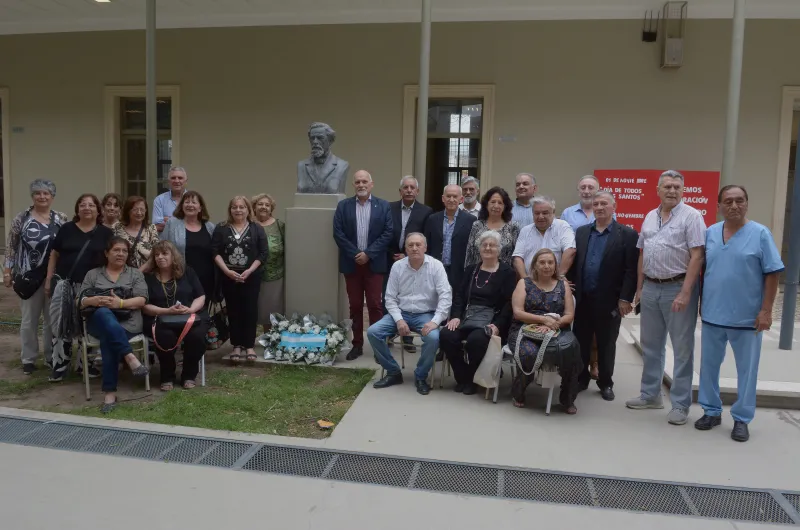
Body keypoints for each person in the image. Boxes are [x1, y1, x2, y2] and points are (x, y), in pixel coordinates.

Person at [695, 185, 783, 442]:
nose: (734, 206)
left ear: (747, 203)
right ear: (719, 205)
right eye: (728, 201)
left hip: (747, 318)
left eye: (739, 201)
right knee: (709, 367)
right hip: (713, 315)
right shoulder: (711, 233)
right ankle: (711, 411)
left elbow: (773, 273)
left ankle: (742, 418)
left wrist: (766, 311)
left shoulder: (760, 234)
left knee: (747, 370)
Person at [626, 170, 706, 426]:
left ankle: (681, 405)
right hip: (650, 287)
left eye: (677, 187)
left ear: (683, 190)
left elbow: (697, 255)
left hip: (678, 287)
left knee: (682, 349)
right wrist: (639, 288)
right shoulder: (650, 216)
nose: (672, 191)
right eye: (667, 187)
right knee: (651, 344)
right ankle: (650, 395)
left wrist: (686, 292)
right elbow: (642, 253)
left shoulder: (692, 216)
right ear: (658, 190)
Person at [569, 191, 638, 401]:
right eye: (596, 203)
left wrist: (625, 298)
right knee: (580, 341)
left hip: (610, 300)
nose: (599, 207)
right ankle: (581, 379)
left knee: (607, 343)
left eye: (604, 204)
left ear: (613, 207)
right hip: (582, 299)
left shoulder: (626, 234)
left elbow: (630, 270)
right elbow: (574, 264)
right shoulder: (581, 232)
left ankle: (605, 382)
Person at [367, 233, 452, 395]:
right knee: (373, 332)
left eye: (418, 245)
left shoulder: (436, 266)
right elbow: (390, 298)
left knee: (433, 338)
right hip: (400, 312)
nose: (414, 248)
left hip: (425, 314)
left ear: (425, 248)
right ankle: (393, 372)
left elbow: (446, 296)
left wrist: (435, 321)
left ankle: (420, 375)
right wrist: (399, 320)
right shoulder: (398, 267)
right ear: (405, 248)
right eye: (410, 245)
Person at [46, 193, 114, 381]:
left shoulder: (106, 233)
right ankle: (59, 365)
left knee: (89, 325)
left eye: (91, 205)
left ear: (97, 210)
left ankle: (86, 364)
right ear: (77, 209)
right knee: (61, 323)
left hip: (92, 286)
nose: (87, 208)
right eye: (82, 205)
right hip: (64, 285)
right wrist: (48, 278)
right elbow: (54, 254)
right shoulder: (66, 229)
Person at [4, 179, 69, 375]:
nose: (42, 197)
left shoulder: (61, 219)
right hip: (28, 277)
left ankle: (51, 356)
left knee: (52, 319)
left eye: (46, 193)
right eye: (38, 193)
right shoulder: (21, 218)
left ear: (52, 197)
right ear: (32, 196)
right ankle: (28, 358)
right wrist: (7, 271)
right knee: (29, 320)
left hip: (54, 276)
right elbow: (11, 247)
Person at [78, 237, 150, 413]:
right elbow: (79, 301)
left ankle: (109, 394)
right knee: (103, 313)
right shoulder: (93, 274)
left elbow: (142, 300)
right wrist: (93, 300)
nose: (121, 254)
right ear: (106, 253)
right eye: (116, 250)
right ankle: (130, 358)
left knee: (109, 338)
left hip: (128, 323)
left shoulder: (135, 274)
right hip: (98, 322)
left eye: (124, 251)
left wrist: (121, 304)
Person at [440, 230, 516, 395]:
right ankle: (464, 377)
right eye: (484, 245)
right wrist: (455, 317)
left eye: (492, 245)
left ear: (499, 249)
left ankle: (472, 380)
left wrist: (497, 325)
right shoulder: (471, 270)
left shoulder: (507, 273)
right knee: (447, 335)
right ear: (479, 248)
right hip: (468, 317)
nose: (488, 248)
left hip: (493, 320)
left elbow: (509, 304)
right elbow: (459, 296)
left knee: (476, 340)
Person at [508, 248, 581, 414]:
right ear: (534, 266)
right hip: (524, 329)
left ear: (555, 266)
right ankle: (518, 391)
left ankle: (567, 398)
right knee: (529, 353)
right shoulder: (524, 283)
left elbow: (569, 315)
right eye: (542, 262)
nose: (546, 266)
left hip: (557, 329)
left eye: (550, 262)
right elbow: (518, 313)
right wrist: (542, 320)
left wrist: (552, 324)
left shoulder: (563, 285)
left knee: (571, 351)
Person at [333, 170, 393, 361]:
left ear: (371, 184)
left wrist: (368, 254)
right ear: (354, 185)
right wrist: (355, 254)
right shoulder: (343, 206)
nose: (361, 185)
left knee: (375, 305)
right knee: (355, 305)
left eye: (364, 181)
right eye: (357, 182)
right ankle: (357, 344)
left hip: (374, 264)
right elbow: (338, 233)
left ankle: (378, 345)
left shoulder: (383, 206)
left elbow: (387, 232)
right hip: (352, 265)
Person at [143, 241, 209, 391]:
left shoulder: (188, 272)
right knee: (164, 336)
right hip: (159, 318)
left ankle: (189, 375)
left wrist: (190, 309)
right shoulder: (148, 278)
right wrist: (166, 311)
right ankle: (167, 376)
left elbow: (201, 296)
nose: (160, 257)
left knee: (197, 336)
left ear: (174, 256)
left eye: (164, 253)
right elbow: (144, 306)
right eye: (157, 254)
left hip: (190, 316)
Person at [212, 196, 268, 363]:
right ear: (230, 210)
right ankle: (236, 345)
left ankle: (249, 345)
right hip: (229, 277)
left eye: (242, 207)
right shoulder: (221, 228)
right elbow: (214, 252)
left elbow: (263, 253)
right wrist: (227, 272)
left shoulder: (256, 228)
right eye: (234, 207)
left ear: (248, 210)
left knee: (250, 310)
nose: (238, 210)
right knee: (233, 311)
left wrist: (250, 271)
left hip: (251, 276)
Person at [386, 176, 432, 353]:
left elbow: (424, 237)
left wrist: (407, 254)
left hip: (413, 260)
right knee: (390, 296)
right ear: (400, 191)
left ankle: (408, 339)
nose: (409, 190)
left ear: (417, 191)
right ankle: (391, 333)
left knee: (409, 296)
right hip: (390, 259)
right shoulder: (389, 208)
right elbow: (385, 233)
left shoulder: (426, 211)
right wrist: (393, 255)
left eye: (413, 187)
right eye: (405, 187)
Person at [161, 191, 216, 305]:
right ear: (182, 206)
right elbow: (162, 247)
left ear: (200, 208)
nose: (190, 205)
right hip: (181, 278)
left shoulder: (210, 227)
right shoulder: (172, 223)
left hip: (206, 279)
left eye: (193, 202)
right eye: (186, 202)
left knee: (202, 315)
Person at [423, 184, 476, 292]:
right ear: (443, 198)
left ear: (461, 199)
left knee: (456, 303)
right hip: (435, 269)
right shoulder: (432, 219)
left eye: (455, 196)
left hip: (459, 271)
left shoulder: (471, 220)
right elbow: (426, 245)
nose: (451, 199)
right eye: (448, 196)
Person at [512, 196, 576, 280]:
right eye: (537, 213)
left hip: (555, 282)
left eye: (545, 213)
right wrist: (525, 280)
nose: (540, 216)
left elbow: (570, 251)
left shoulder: (562, 227)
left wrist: (559, 277)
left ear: (553, 213)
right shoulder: (525, 230)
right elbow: (517, 257)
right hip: (531, 282)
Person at [252, 193, 286, 330]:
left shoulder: (280, 225)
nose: (263, 207)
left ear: (271, 208)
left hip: (276, 276)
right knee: (254, 309)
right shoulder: (248, 225)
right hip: (252, 276)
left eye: (267, 205)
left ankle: (272, 339)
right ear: (254, 207)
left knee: (273, 309)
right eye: (260, 204)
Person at [464, 186, 520, 268]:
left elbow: (516, 256)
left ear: (505, 206)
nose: (496, 206)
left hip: (504, 276)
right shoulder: (477, 225)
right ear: (486, 204)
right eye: (493, 202)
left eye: (500, 203)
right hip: (478, 275)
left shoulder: (513, 227)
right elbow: (469, 253)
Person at [114, 196, 159, 270]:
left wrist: (139, 272)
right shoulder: (117, 227)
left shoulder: (151, 228)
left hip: (146, 274)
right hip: (121, 274)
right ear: (128, 211)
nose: (139, 213)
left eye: (142, 209)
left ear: (146, 211)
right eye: (135, 209)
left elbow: (156, 253)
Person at [153, 166, 188, 233]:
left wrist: (169, 220)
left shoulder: (194, 199)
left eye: (180, 178)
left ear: (186, 181)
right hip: (167, 242)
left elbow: (196, 223)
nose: (176, 181)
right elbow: (157, 226)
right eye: (173, 178)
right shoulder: (159, 200)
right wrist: (185, 220)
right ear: (169, 181)